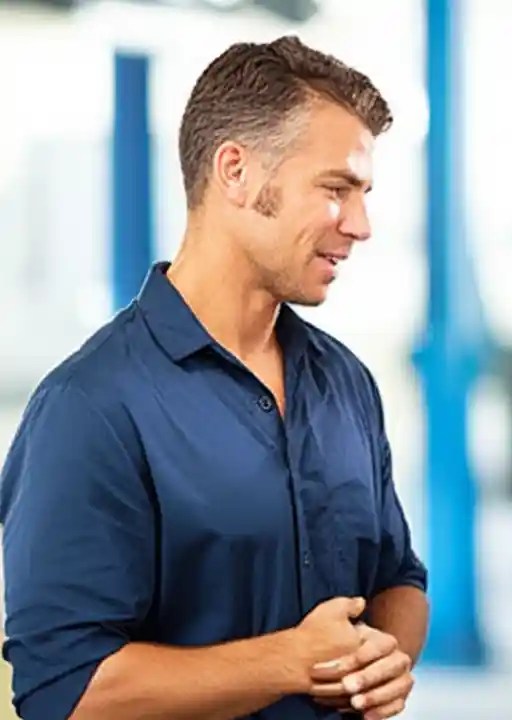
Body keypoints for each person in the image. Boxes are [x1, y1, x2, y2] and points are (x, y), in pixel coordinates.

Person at [0, 36, 428, 719]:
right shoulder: (90, 408)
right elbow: (63, 691)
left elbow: (398, 578)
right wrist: (288, 661)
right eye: (336, 189)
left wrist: (386, 660)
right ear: (235, 171)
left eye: (365, 193)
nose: (362, 224)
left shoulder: (346, 383)